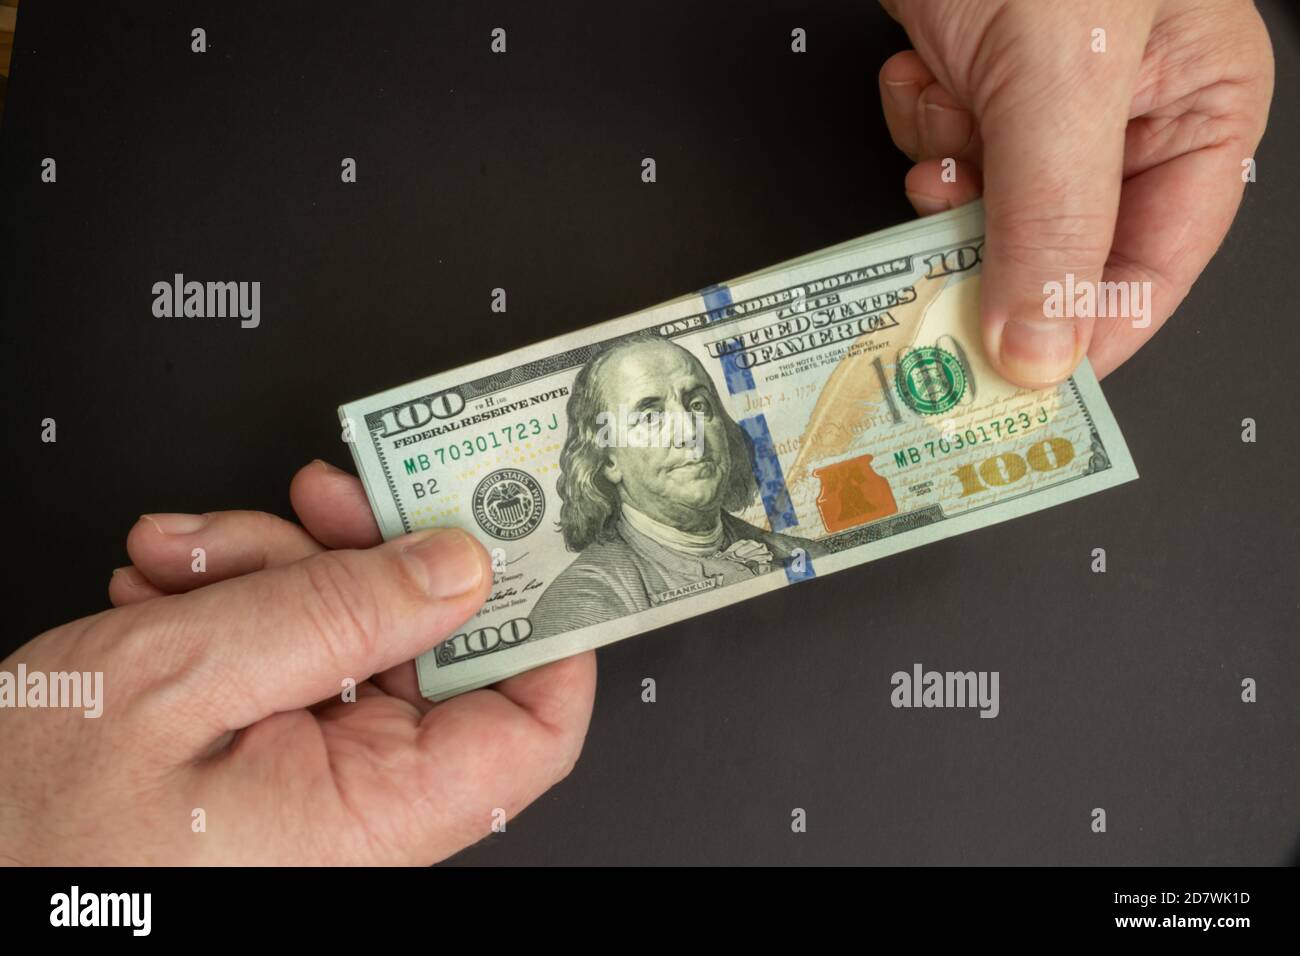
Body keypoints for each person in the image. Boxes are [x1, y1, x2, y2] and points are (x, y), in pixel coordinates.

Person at [0, 0, 1274, 864]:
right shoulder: (585, 593)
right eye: (646, 409)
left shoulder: (758, 519)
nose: (687, 428)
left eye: (697, 399)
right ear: (595, 455)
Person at [529, 335, 827, 640]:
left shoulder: (805, 556)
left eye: (698, 405)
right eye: (650, 416)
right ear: (608, 460)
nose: (690, 431)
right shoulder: (581, 604)